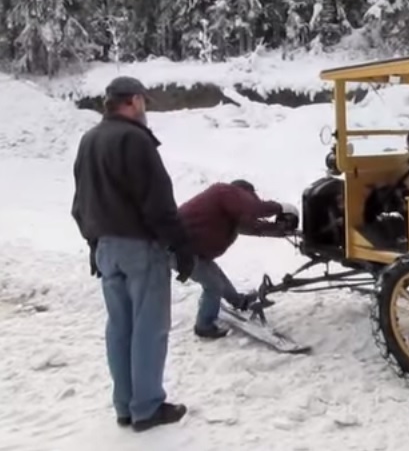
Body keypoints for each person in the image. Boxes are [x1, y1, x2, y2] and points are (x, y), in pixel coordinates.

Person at [71, 76, 193, 432]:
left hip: (105, 247)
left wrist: (93, 243)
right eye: (144, 102)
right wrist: (181, 245)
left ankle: (124, 406)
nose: (146, 109)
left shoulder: (89, 139)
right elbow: (157, 202)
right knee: (149, 328)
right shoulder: (135, 140)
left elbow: (81, 201)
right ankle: (147, 407)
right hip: (140, 246)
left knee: (120, 326)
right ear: (135, 101)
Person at [177, 179, 299, 339]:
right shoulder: (225, 192)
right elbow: (254, 209)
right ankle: (204, 326)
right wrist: (281, 208)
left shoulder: (228, 210)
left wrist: (280, 230)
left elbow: (252, 227)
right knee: (213, 285)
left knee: (215, 274)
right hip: (179, 247)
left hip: (190, 248)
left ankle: (239, 301)